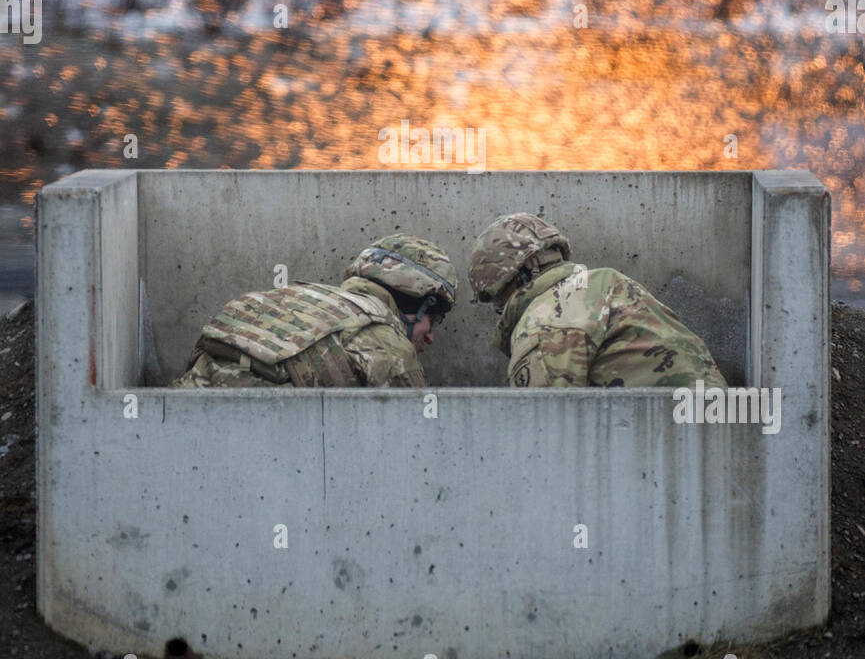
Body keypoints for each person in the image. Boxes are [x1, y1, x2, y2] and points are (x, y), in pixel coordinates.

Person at [468, 213, 727, 390]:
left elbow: (543, 432)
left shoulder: (543, 320)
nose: (497, 309)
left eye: (496, 296)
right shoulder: (607, 282)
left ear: (520, 275)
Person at [170, 234, 457, 388]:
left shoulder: (295, 295)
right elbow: (416, 440)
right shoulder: (387, 341)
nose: (430, 337)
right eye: (433, 321)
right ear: (416, 305)